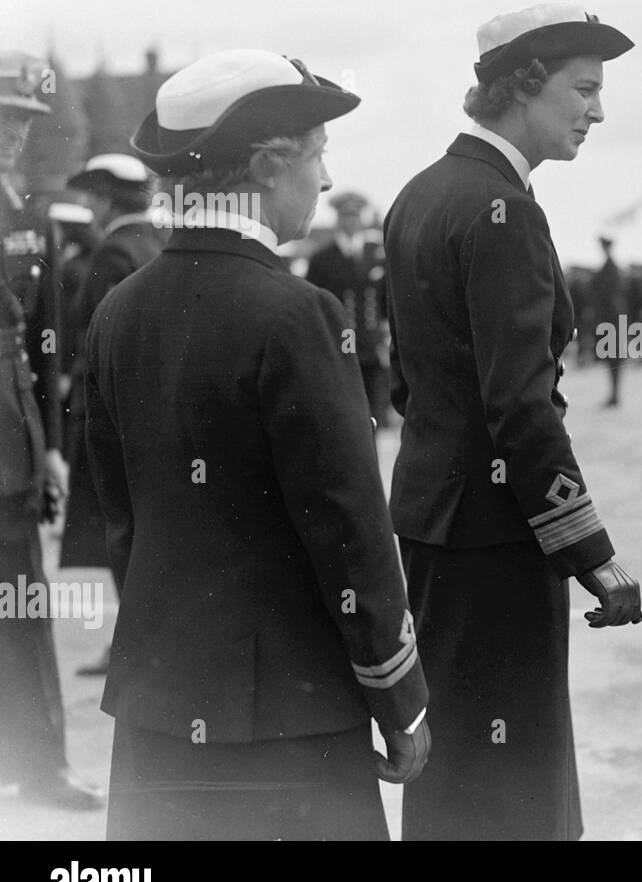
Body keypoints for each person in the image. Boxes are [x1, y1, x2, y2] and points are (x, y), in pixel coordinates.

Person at [85, 49, 430, 840]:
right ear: (272, 166)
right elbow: (349, 527)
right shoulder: (298, 313)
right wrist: (399, 694)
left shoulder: (117, 311)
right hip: (289, 717)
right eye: (319, 155)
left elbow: (124, 520)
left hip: (157, 704)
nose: (328, 181)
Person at [384, 3, 642, 841]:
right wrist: (591, 552)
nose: (597, 111)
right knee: (517, 783)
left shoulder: (419, 195)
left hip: (432, 523)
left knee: (456, 771)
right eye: (584, 89)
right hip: (497, 538)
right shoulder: (506, 210)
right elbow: (521, 407)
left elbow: (410, 384)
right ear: (522, 86)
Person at [0, 51, 104, 810]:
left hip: (12, 451)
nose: (13, 133)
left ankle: (40, 763)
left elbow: (41, 345)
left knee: (22, 610)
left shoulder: (27, 211)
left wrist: (54, 450)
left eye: (24, 121)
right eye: (3, 117)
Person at [59, 154, 164, 680]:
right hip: (161, 411)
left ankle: (136, 648)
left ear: (103, 200)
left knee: (120, 531)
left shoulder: (112, 252)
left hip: (115, 414)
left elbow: (99, 343)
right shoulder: (160, 243)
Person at [306, 190, 392, 427]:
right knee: (344, 412)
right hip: (337, 344)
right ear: (338, 220)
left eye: (355, 216)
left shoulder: (376, 256)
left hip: (371, 346)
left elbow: (385, 299)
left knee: (374, 411)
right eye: (346, 216)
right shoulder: (321, 260)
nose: (351, 221)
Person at [589, 234, 626, 406]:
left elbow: (607, 294)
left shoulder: (609, 267)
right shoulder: (610, 266)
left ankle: (615, 395)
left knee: (614, 357)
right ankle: (614, 394)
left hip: (611, 318)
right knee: (612, 357)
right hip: (611, 317)